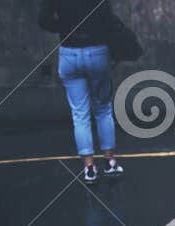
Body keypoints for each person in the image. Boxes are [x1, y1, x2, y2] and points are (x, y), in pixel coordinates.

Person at [39, 0, 123, 184]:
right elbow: (108, 19)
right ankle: (110, 162)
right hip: (97, 51)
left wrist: (65, 26)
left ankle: (89, 168)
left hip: (69, 53)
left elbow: (44, 20)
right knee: (103, 110)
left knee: (79, 114)